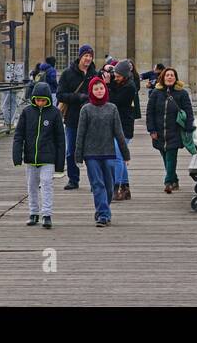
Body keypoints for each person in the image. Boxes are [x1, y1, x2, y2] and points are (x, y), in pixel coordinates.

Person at [74, 75, 130, 227]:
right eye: (95, 88)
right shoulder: (86, 109)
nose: (99, 91)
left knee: (109, 185)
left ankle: (102, 208)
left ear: (105, 90)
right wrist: (78, 156)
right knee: (97, 184)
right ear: (91, 91)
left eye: (101, 88)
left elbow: (119, 132)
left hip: (108, 152)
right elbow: (80, 133)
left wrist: (125, 154)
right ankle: (104, 215)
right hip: (91, 154)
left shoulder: (112, 108)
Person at [12, 79, 64, 229]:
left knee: (46, 183)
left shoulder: (55, 113)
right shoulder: (27, 112)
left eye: (43, 100)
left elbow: (61, 139)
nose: (40, 102)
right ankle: (33, 212)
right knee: (32, 186)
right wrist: (17, 155)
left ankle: (46, 214)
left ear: (48, 99)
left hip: (48, 156)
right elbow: (19, 135)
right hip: (31, 156)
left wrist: (60, 164)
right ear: (34, 99)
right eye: (38, 100)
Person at [145, 66, 195, 192]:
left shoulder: (182, 93)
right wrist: (151, 130)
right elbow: (149, 112)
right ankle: (175, 180)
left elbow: (189, 111)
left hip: (175, 131)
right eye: (167, 75)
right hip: (159, 131)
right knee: (165, 156)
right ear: (162, 77)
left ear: (175, 78)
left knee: (171, 157)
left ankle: (168, 182)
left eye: (172, 75)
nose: (170, 77)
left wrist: (189, 127)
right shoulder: (155, 93)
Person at [57, 44, 97, 190]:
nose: (88, 58)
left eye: (90, 56)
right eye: (86, 55)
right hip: (73, 118)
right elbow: (60, 95)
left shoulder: (95, 74)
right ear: (80, 57)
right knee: (71, 151)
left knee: (92, 152)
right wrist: (78, 97)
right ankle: (73, 179)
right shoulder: (68, 73)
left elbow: (101, 93)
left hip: (91, 119)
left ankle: (95, 181)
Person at [108, 59, 141, 200]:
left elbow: (114, 100)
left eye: (118, 75)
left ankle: (117, 188)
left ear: (125, 75)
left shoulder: (130, 87)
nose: (116, 78)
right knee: (119, 156)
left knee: (118, 156)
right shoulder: (122, 83)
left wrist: (109, 85)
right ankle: (126, 187)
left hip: (125, 127)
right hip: (117, 125)